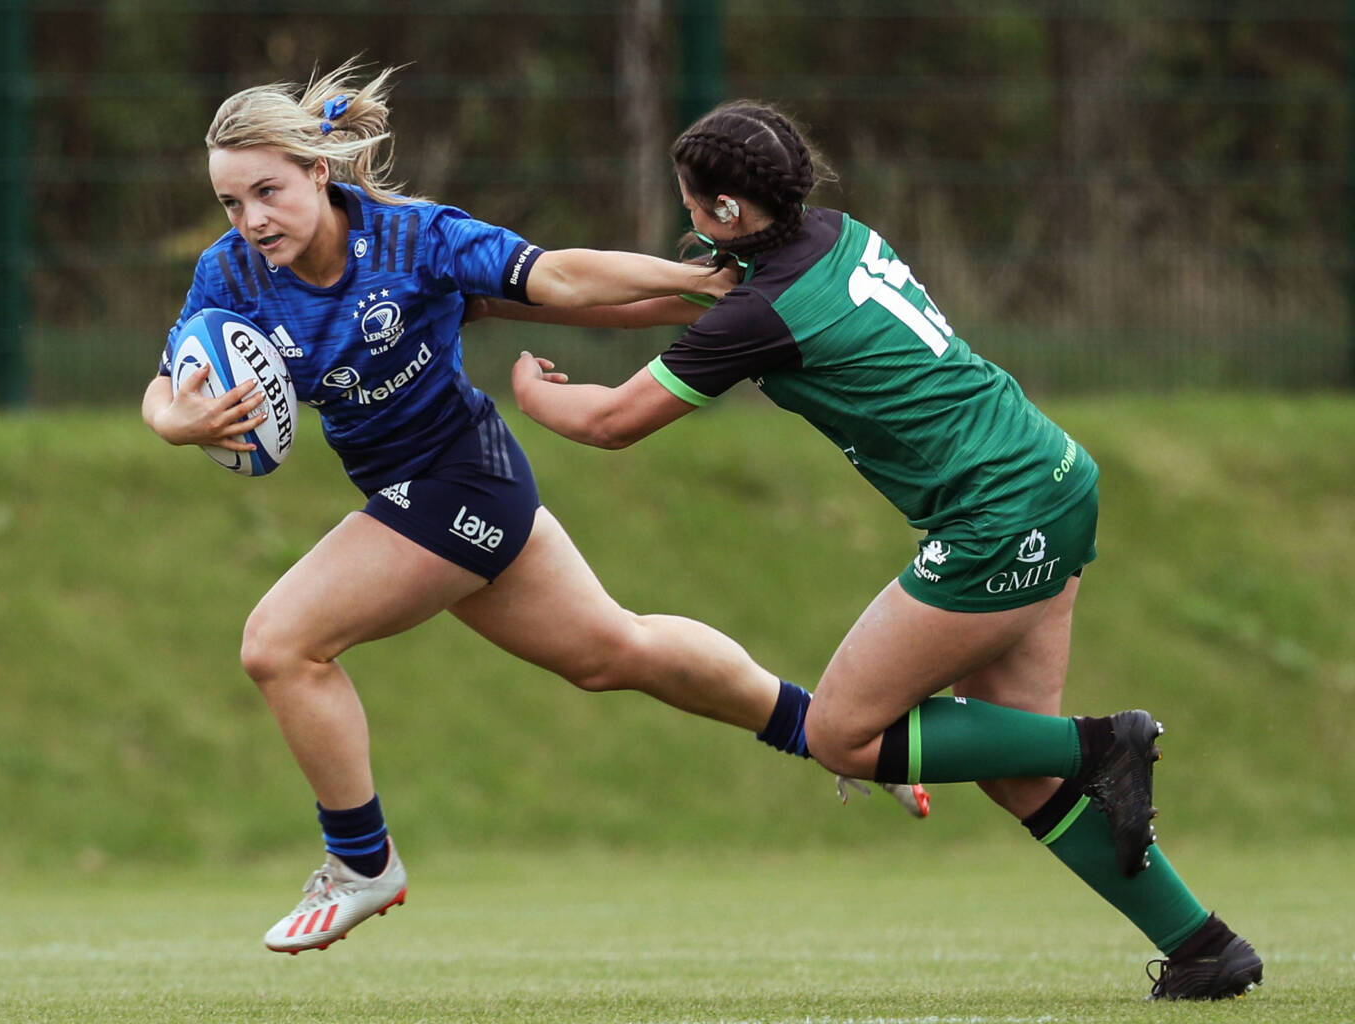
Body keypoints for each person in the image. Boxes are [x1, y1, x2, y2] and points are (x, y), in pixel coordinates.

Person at [141, 65, 924, 956]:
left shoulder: (413, 239)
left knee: (279, 644)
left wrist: (699, 282)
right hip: (428, 493)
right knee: (614, 651)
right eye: (231, 201)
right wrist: (180, 422)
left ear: (320, 173)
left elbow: (556, 278)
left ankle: (363, 865)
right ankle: (835, 735)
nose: (251, 221)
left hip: (461, 480)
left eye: (267, 193)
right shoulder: (232, 272)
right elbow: (167, 386)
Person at [497, 100, 1262, 1001]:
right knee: (1014, 769)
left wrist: (526, 386)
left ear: (732, 212)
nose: (690, 223)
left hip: (994, 515)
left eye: (696, 208)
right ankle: (1203, 946)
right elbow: (688, 296)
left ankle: (1103, 743)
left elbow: (615, 422)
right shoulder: (829, 233)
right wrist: (511, 296)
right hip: (1052, 476)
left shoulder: (764, 310)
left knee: (841, 733)